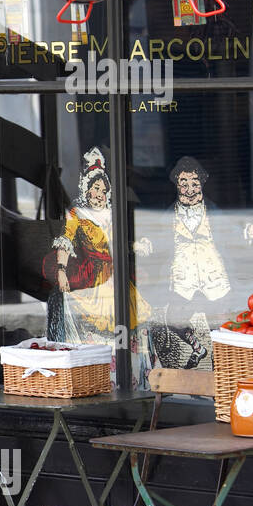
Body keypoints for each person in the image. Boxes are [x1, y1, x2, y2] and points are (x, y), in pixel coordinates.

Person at [136, 156, 253, 368]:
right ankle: (198, 348)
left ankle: (220, 362)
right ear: (177, 184)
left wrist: (246, 232)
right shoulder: (172, 213)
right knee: (175, 319)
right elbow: (161, 235)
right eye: (184, 183)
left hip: (211, 271)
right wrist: (147, 244)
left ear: (201, 183)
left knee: (218, 319)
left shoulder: (211, 210)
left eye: (194, 183)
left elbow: (228, 229)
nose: (189, 188)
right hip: (184, 273)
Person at [46, 147, 151, 380]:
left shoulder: (112, 214)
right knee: (97, 321)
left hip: (114, 273)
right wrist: (62, 270)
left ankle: (126, 376)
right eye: (96, 188)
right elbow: (65, 243)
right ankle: (94, 374)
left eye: (104, 190)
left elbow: (118, 245)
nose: (100, 194)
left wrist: (136, 246)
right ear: (87, 188)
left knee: (128, 317)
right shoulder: (77, 215)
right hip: (91, 276)